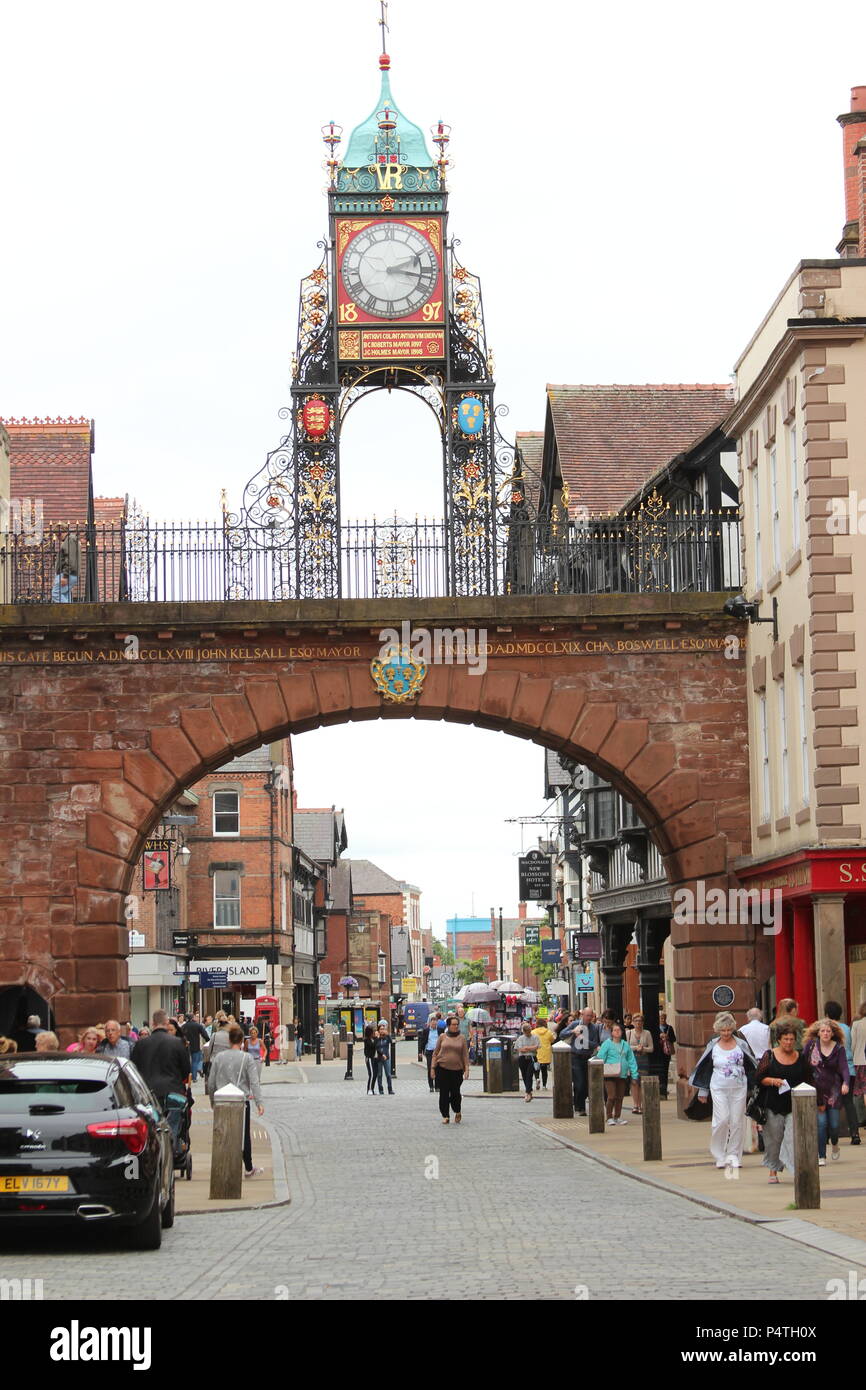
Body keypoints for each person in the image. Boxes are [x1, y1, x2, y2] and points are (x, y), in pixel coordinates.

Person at [689, 1012, 758, 1170]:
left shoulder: (741, 1044)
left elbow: (751, 1065)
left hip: (739, 1088)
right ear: (718, 1030)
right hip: (718, 1087)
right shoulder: (713, 1045)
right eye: (723, 1030)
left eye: (729, 1030)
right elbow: (705, 1068)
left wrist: (754, 1087)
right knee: (722, 1120)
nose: (726, 1033)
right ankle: (719, 1155)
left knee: (737, 1122)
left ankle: (733, 1155)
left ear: (733, 1029)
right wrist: (703, 1091)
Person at [756, 1025, 814, 1182]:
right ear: (779, 1040)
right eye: (785, 1039)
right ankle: (772, 1170)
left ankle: (796, 1171)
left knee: (793, 1138)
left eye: (791, 1039)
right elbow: (759, 1078)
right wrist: (773, 1081)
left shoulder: (800, 1057)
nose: (788, 1042)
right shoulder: (770, 1056)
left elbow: (809, 1079)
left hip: (795, 1104)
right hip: (773, 1104)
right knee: (774, 1139)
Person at [207, 1024, 265, 1178]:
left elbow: (211, 1082)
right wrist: (259, 1103)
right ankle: (248, 1167)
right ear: (241, 1040)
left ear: (229, 1040)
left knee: (222, 1133)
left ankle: (223, 1166)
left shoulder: (219, 1058)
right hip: (241, 1100)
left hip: (221, 1100)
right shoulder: (247, 1058)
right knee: (244, 1135)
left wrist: (212, 1100)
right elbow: (254, 1082)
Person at [802, 1018, 850, 1165]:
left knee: (834, 1125)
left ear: (833, 1033)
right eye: (822, 1031)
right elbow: (803, 1063)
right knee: (821, 1124)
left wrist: (846, 1083)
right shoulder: (811, 1046)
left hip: (833, 1090)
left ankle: (834, 1143)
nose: (825, 1033)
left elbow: (844, 1067)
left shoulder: (839, 1048)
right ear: (818, 1032)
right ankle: (821, 1155)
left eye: (828, 1031)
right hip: (816, 1090)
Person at [131, 1010, 191, 1108]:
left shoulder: (140, 1044)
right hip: (173, 1092)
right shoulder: (177, 1043)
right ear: (167, 1023)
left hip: (148, 1094)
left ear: (152, 1023)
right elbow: (186, 1069)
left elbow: (134, 1069)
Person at [824, 1000, 860, 1146]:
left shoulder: (825, 1029)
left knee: (829, 1102)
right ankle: (855, 1133)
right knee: (848, 1102)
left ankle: (827, 1134)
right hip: (849, 1068)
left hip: (832, 1070)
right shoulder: (846, 1028)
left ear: (827, 1014)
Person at [560, 1008, 601, 1116]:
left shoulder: (594, 1028)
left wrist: (584, 1039)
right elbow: (562, 1034)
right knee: (580, 1082)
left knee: (586, 1084)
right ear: (582, 1015)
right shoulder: (575, 1024)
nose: (589, 1018)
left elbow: (595, 1044)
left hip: (587, 1057)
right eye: (587, 1016)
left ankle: (578, 1103)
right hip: (575, 1057)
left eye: (591, 1016)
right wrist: (572, 1031)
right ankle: (580, 1107)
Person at [597, 1021, 639, 1124]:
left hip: (622, 1074)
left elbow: (631, 1060)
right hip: (609, 1074)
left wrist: (634, 1074)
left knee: (620, 1096)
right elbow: (600, 1057)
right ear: (611, 1032)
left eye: (619, 1030)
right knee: (611, 1096)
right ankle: (609, 1117)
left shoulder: (625, 1045)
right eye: (615, 1030)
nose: (617, 1032)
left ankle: (617, 1116)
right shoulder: (606, 1044)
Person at [431, 1014, 470, 1124]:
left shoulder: (462, 1038)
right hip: (442, 1068)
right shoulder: (442, 1037)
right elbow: (435, 1053)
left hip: (457, 1070)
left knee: (455, 1093)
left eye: (457, 1025)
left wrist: (467, 1069)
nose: (456, 1026)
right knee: (443, 1093)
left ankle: (457, 1110)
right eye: (453, 1025)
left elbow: (465, 1055)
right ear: (448, 1025)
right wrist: (432, 1068)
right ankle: (445, 1115)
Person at [626, 1013, 653, 1115]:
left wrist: (643, 1048)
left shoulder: (647, 1033)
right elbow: (627, 1046)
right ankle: (635, 1105)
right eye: (636, 1021)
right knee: (634, 1082)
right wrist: (635, 1048)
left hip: (643, 1060)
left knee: (641, 1082)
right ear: (633, 1022)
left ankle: (641, 1105)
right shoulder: (629, 1033)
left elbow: (651, 1048)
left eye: (640, 1021)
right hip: (632, 1060)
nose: (638, 1023)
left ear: (643, 1022)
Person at [513, 1021, 541, 1102]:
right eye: (526, 1032)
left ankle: (527, 1093)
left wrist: (527, 1048)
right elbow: (519, 1049)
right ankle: (529, 1091)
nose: (528, 1033)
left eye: (529, 1031)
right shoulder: (520, 1038)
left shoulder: (535, 1037)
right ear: (523, 1031)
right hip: (522, 1058)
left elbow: (537, 1047)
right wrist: (530, 1048)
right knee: (524, 1075)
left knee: (529, 1075)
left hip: (532, 1058)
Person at [51, 530, 80, 603]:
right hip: (70, 574)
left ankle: (68, 613)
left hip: (67, 574)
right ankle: (71, 613)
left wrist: (65, 576)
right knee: (65, 593)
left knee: (56, 593)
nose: (58, 538)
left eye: (59, 535)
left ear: (64, 532)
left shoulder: (70, 541)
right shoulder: (71, 540)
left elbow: (70, 560)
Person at [182, 1013, 210, 1083]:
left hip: (186, 1046)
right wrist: (208, 1041)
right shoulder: (198, 1025)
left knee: (188, 1062)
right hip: (196, 1046)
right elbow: (205, 1035)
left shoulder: (183, 1026)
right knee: (195, 1061)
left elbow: (180, 1036)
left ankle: (189, 1076)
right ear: (193, 1018)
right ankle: (194, 1077)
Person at [852, 1001, 866, 1129]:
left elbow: (853, 1044)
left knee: (859, 1091)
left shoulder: (857, 1024)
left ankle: (861, 1118)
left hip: (860, 1060)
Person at [531, 1016, 556, 1090]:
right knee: (544, 1070)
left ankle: (537, 1078)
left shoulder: (533, 1032)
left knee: (536, 1068)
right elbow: (552, 1040)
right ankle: (544, 1086)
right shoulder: (548, 1032)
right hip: (545, 1053)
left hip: (536, 1053)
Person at [658, 1011, 677, 1099]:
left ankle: (664, 1091)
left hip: (666, 1053)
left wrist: (667, 1037)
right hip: (659, 1052)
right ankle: (660, 1090)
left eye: (664, 1018)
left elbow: (674, 1039)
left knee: (665, 1071)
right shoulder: (656, 1028)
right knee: (659, 1072)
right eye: (661, 1018)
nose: (662, 1020)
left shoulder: (669, 1028)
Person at [373, 1021, 394, 1095]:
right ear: (378, 1030)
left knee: (388, 1074)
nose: (382, 1030)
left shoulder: (387, 1037)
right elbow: (376, 1047)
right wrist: (377, 1037)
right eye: (380, 1029)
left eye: (383, 1029)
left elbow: (391, 1042)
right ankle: (381, 1089)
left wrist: (388, 1035)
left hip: (386, 1058)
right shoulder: (377, 1039)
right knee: (379, 1074)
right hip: (379, 1058)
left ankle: (390, 1089)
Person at [421, 1013, 440, 1093]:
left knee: (438, 1069)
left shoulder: (440, 1030)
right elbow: (422, 1041)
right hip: (429, 1052)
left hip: (438, 1052)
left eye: (435, 1023)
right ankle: (431, 1086)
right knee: (430, 1069)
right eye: (432, 1023)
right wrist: (420, 1052)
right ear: (430, 1023)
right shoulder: (426, 1031)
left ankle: (437, 1086)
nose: (434, 1024)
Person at [363, 1023, 378, 1094]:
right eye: (373, 1031)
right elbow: (372, 1046)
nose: (374, 1032)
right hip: (369, 1058)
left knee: (375, 1074)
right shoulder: (367, 1040)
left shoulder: (374, 1039)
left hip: (374, 1058)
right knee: (371, 1074)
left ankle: (372, 1088)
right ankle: (369, 1089)